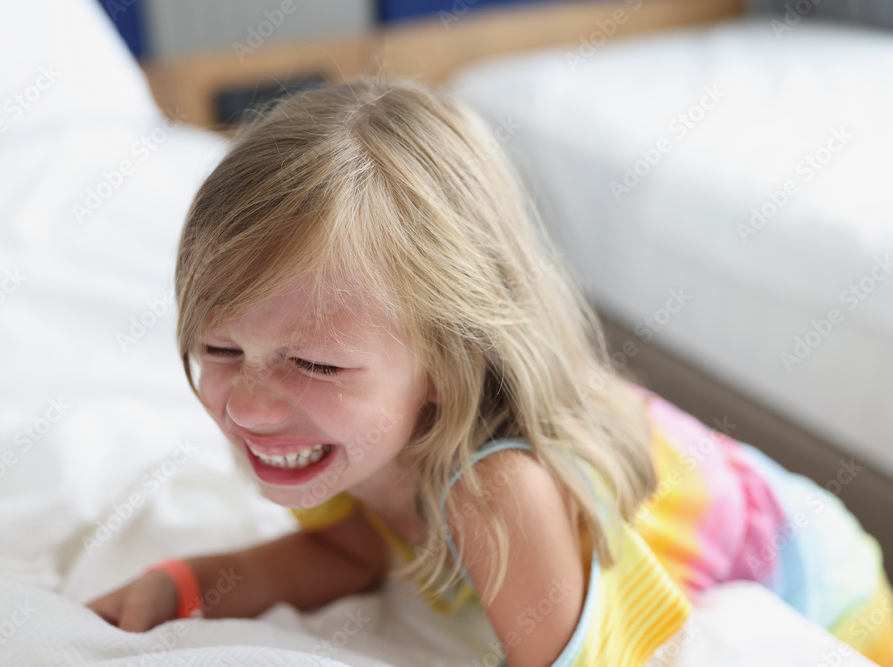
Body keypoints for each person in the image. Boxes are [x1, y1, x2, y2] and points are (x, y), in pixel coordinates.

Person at [87, 78, 893, 666]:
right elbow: (350, 552)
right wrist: (186, 583)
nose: (252, 406)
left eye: (314, 363)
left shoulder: (497, 491)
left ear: (446, 360)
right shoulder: (346, 434)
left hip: (837, 600)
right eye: (219, 349)